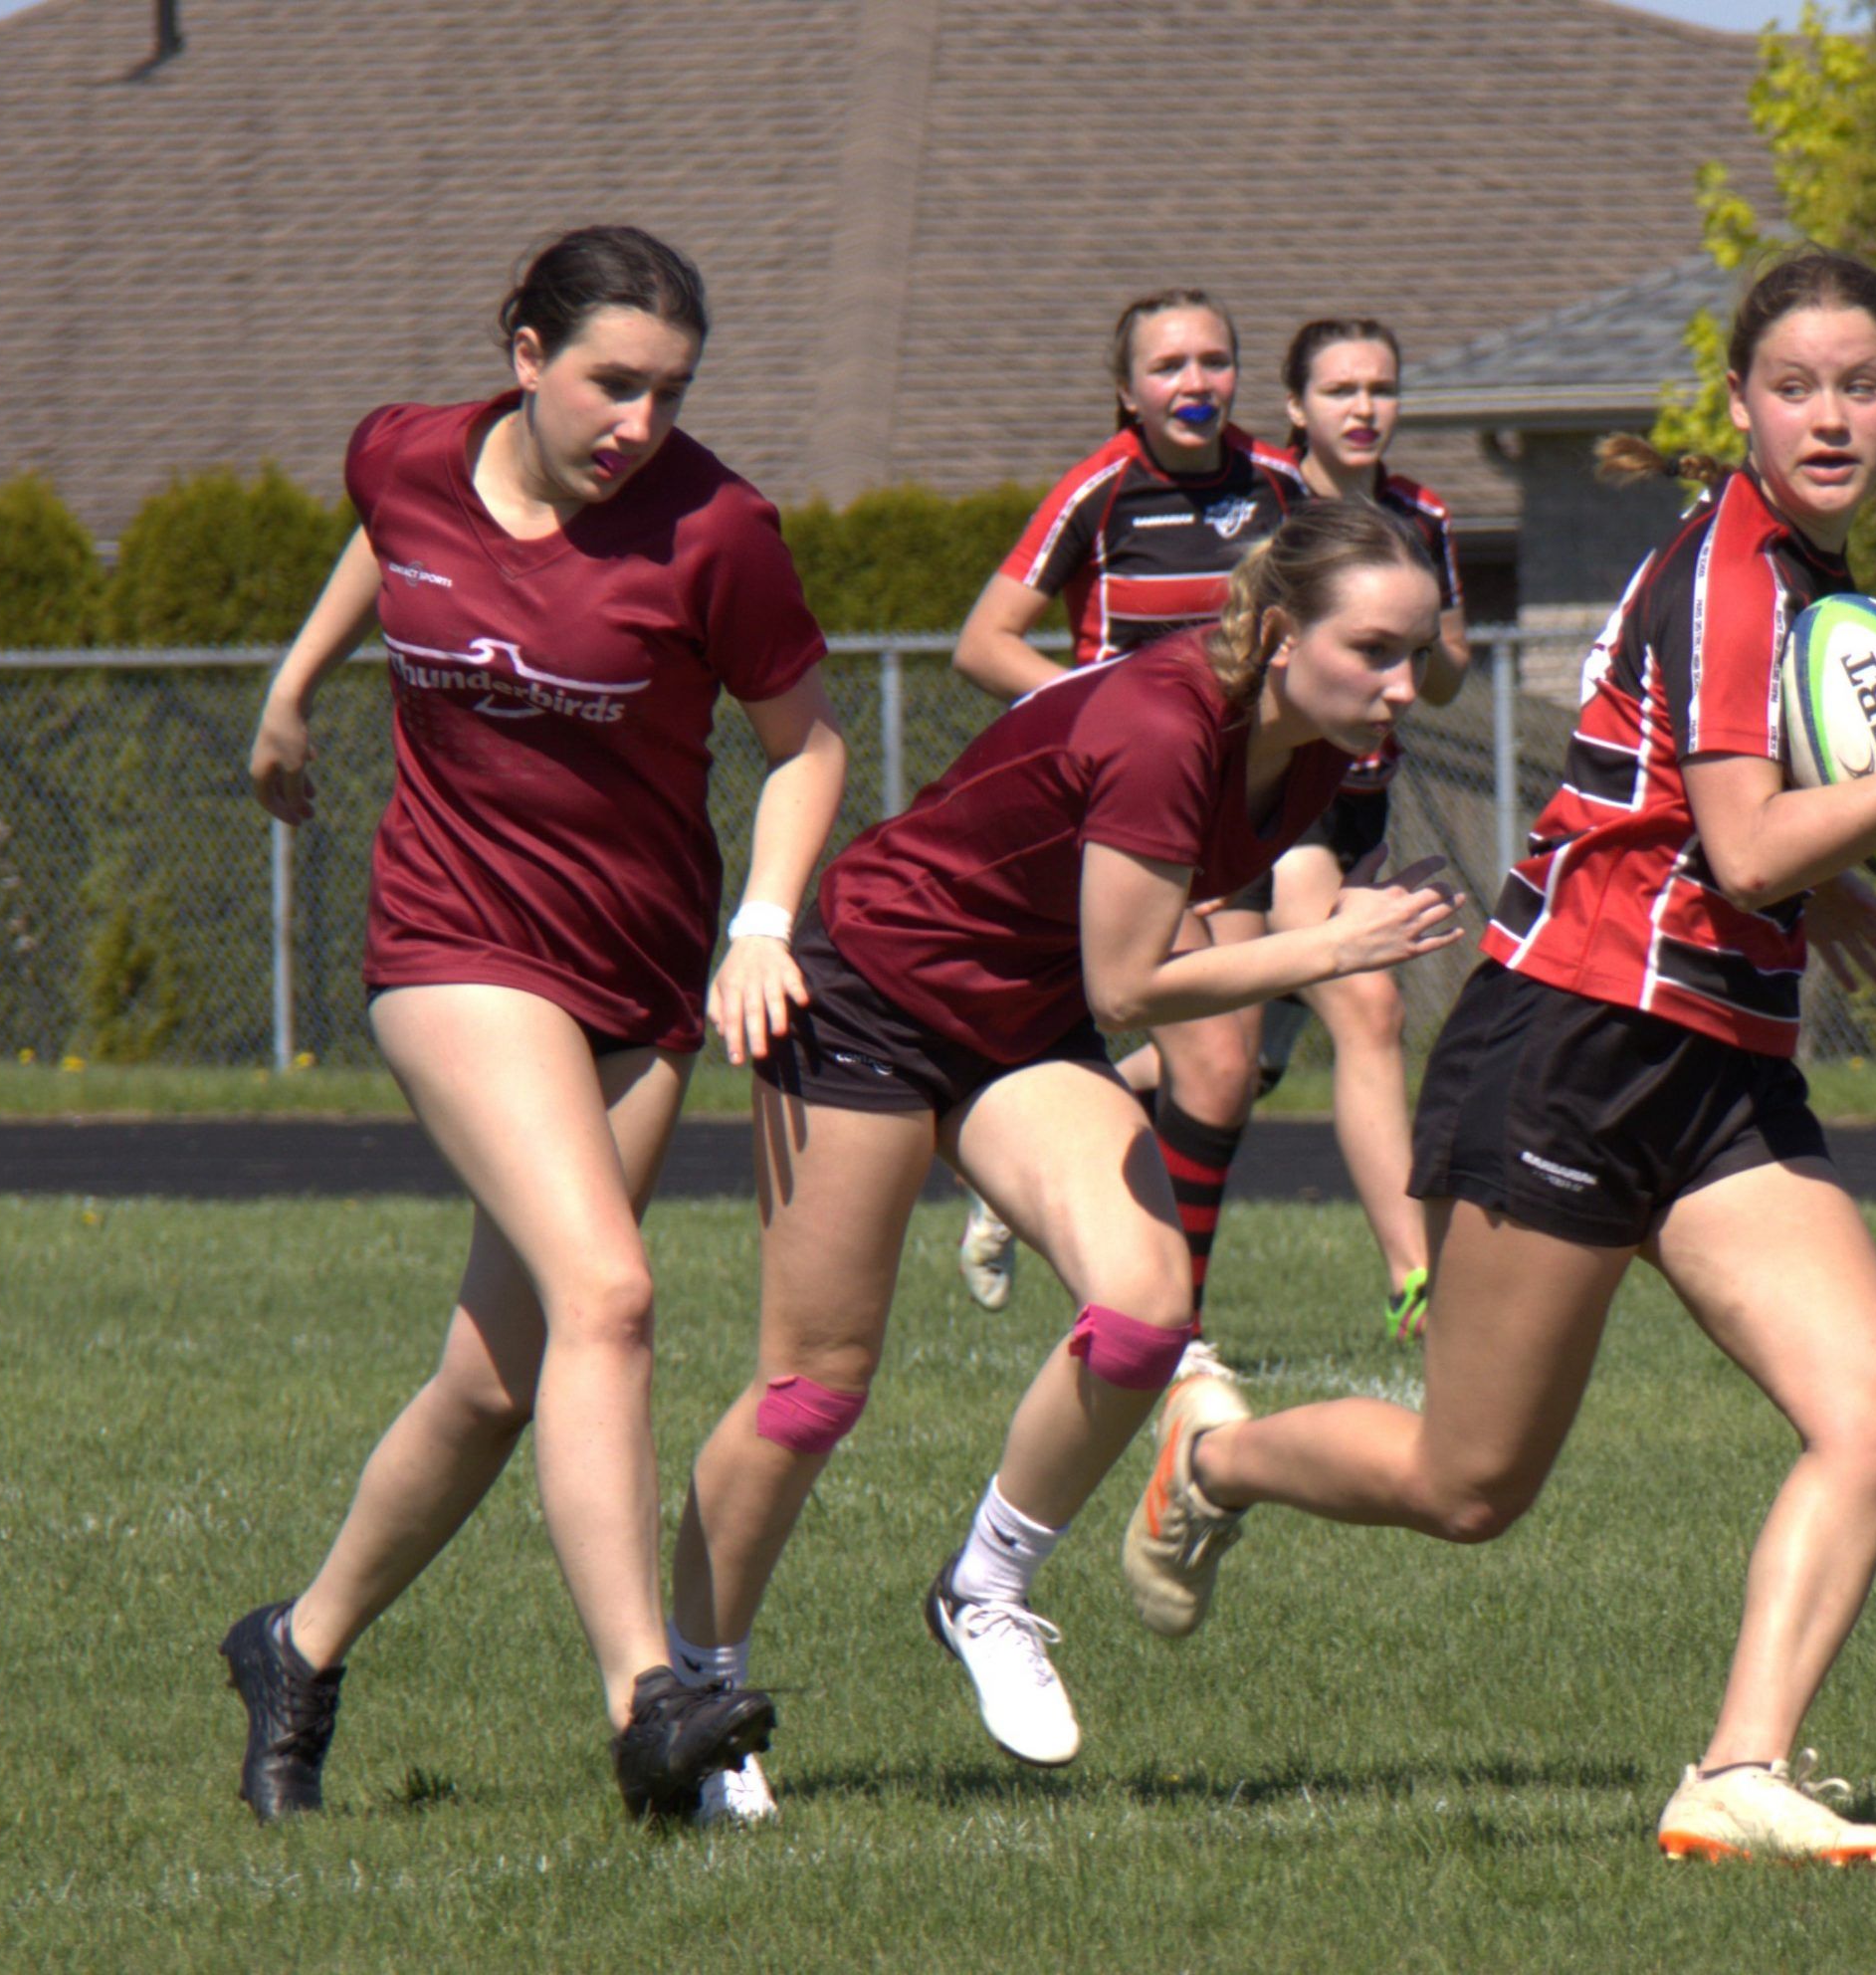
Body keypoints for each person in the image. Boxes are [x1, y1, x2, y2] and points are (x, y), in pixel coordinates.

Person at [1121, 247, 1876, 1867]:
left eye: (1861, 385)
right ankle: (1216, 1452)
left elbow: (1712, 818)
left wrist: (1850, 880)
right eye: (1793, 385)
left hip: (1714, 1056)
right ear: (1738, 402)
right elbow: (1741, 849)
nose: (1829, 415)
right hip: (1582, 1039)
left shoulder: (1802, 566)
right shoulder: (1740, 569)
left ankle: (1738, 1768)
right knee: (1471, 1481)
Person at [668, 503, 1461, 1806]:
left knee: (1148, 1312)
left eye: (1415, 653)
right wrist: (1332, 950)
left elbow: (1149, 954)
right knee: (812, 1389)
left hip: (1019, 1026)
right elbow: (1136, 985)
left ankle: (984, 1588)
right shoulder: (1163, 729)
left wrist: (1339, 930)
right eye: (1373, 648)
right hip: (870, 998)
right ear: (1275, 636)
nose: (1402, 683)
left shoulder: (1310, 749)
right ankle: (699, 1700)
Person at [222, 226, 847, 1824]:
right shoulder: (406, 452)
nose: (639, 421)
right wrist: (297, 687)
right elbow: (391, 533)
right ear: (525, 353)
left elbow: (807, 749)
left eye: (669, 390)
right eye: (611, 382)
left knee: (504, 1378)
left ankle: (296, 1646)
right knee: (613, 1293)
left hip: (635, 981)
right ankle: (649, 1698)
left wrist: (760, 922)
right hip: (451, 938)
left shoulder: (719, 531)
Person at [949, 289, 1308, 1319]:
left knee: (1227, 1072)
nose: (1192, 384)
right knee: (1206, 1053)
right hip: (1140, 810)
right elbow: (986, 640)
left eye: (1212, 361)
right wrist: (1107, 714)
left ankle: (1022, 1180)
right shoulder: (1101, 489)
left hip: (1234, 808)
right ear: (1126, 391)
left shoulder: (1281, 487)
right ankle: (1169, 1325)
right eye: (1167, 367)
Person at [1125, 316, 1475, 1338]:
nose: (1363, 408)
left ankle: (1083, 1099)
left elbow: (1444, 678)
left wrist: (1426, 638)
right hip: (1269, 805)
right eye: (1341, 390)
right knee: (1360, 1011)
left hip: (1357, 801)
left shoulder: (1421, 514)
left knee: (1236, 1059)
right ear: (1296, 408)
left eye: (1382, 388)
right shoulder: (1260, 505)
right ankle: (1414, 1271)